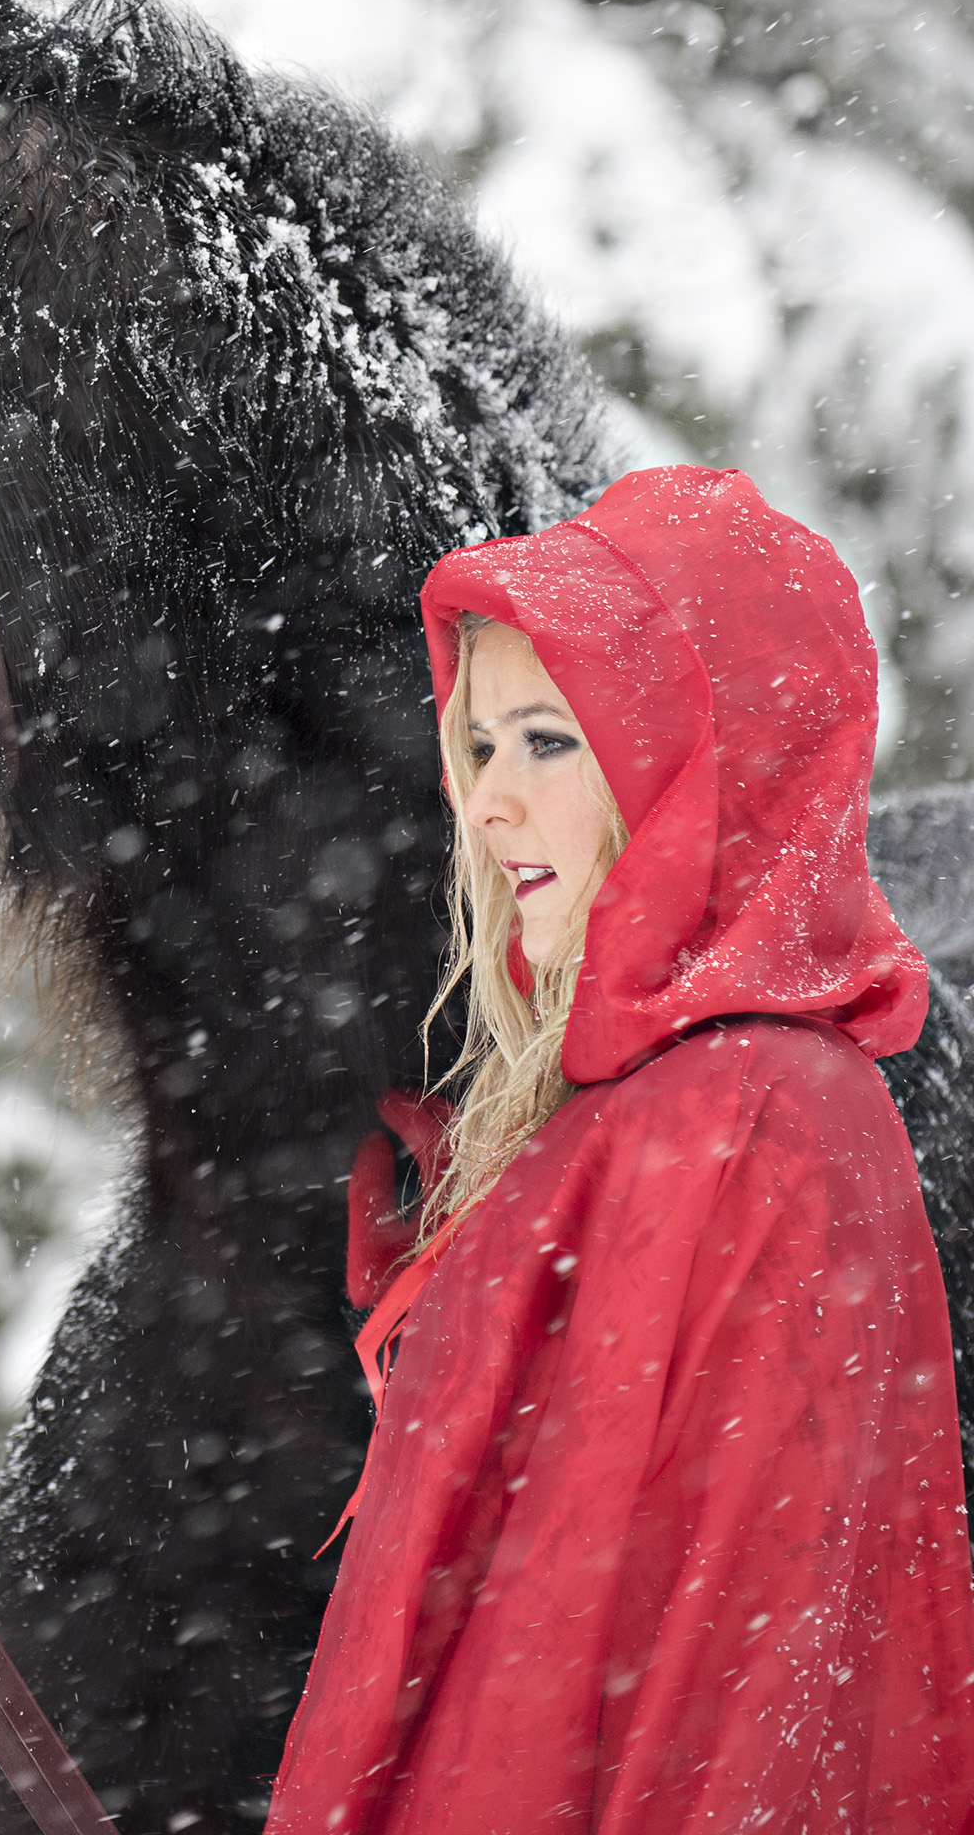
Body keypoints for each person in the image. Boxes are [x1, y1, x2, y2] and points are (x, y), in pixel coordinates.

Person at [265, 464, 974, 1834]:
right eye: (477, 747)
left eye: (545, 741)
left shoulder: (757, 1120)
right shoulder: (637, 1116)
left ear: (706, 763)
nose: (487, 804)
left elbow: (762, 1699)